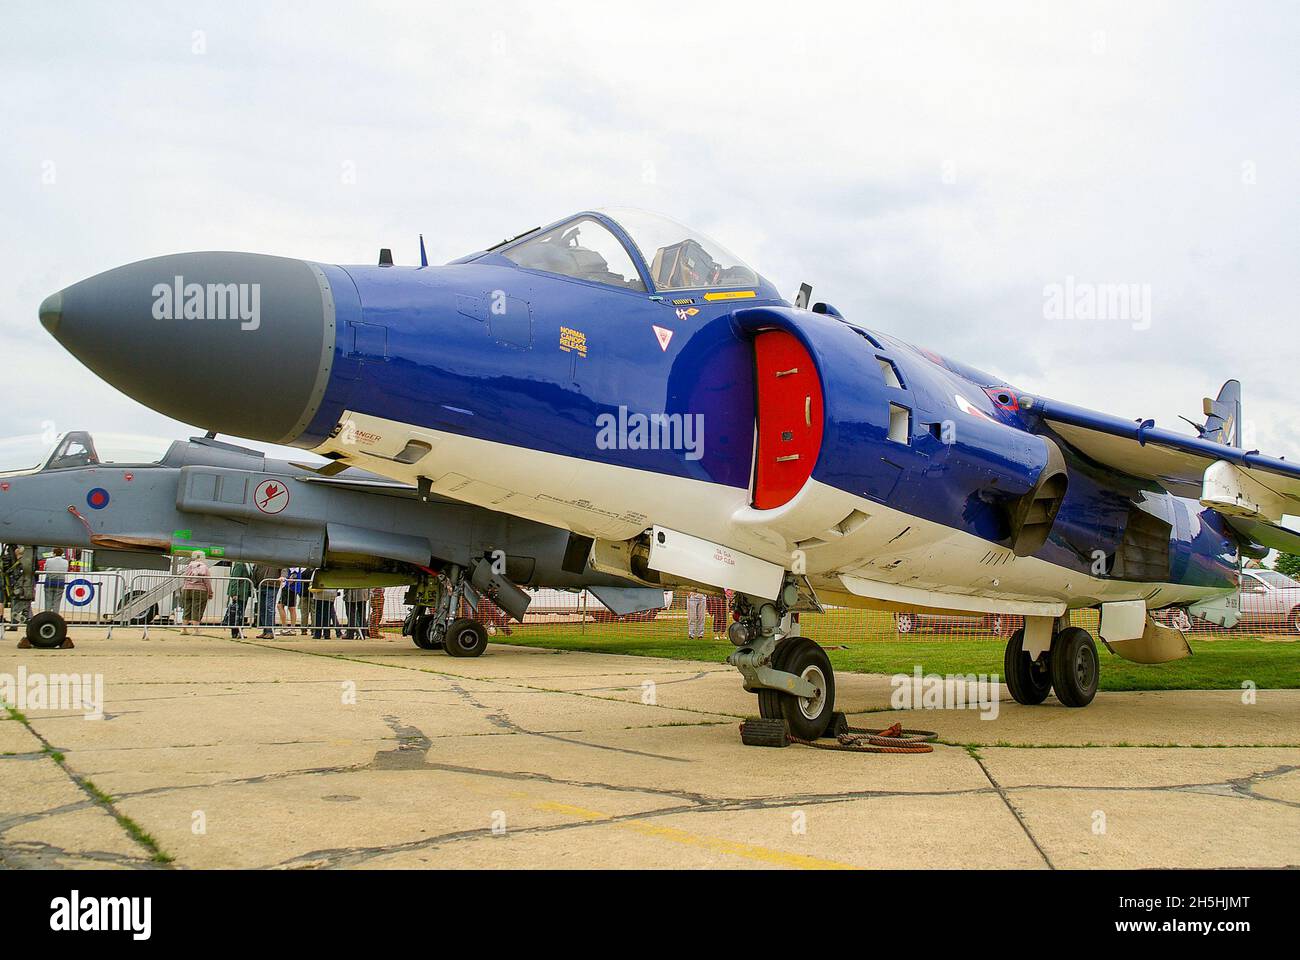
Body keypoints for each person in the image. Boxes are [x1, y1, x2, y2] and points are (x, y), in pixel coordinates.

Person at [178, 551, 212, 635]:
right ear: (202, 557)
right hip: (199, 590)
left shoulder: (189, 566)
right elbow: (207, 581)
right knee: (197, 609)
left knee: (187, 608)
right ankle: (196, 630)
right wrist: (210, 592)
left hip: (187, 589)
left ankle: (183, 629)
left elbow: (185, 578)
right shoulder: (204, 567)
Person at [247, 562, 279, 639]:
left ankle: (270, 631)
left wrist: (282, 577)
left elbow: (284, 567)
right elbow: (256, 568)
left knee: (269, 607)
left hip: (272, 585)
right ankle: (265, 630)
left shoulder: (277, 557)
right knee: (262, 608)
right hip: (260, 585)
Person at [223, 561, 254, 638]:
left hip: (244, 593)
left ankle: (239, 632)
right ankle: (235, 632)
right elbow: (235, 579)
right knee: (236, 613)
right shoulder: (239, 564)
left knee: (240, 614)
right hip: (240, 593)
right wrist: (234, 593)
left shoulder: (247, 564)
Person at [42, 548, 69, 615]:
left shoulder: (48, 560)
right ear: (62, 554)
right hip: (60, 582)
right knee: (57, 601)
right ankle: (55, 616)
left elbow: (45, 569)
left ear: (54, 553)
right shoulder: (66, 562)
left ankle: (47, 615)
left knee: (48, 600)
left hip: (49, 581)